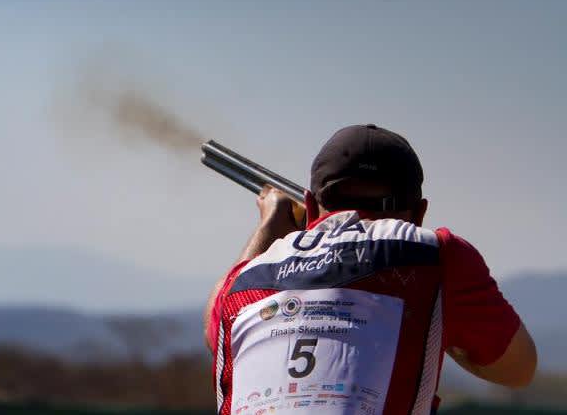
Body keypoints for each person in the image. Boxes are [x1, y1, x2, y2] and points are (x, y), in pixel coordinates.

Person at [204, 124, 536, 415]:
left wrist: (270, 225)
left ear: (309, 201)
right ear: (420, 213)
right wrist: (441, 324)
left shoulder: (246, 278)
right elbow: (518, 368)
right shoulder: (434, 255)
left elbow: (216, 328)